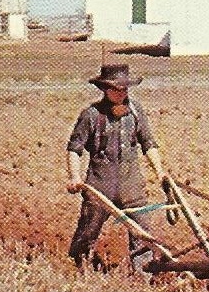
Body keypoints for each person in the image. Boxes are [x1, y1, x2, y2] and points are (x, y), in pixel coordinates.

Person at [66, 63, 168, 271]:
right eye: (117, 88)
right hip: (99, 186)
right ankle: (78, 266)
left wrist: (160, 173)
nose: (122, 92)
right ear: (105, 88)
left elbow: (148, 143)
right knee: (88, 230)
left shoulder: (136, 112)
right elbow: (74, 149)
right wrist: (75, 177)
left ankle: (143, 273)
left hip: (132, 186)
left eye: (125, 88)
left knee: (142, 232)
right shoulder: (91, 115)